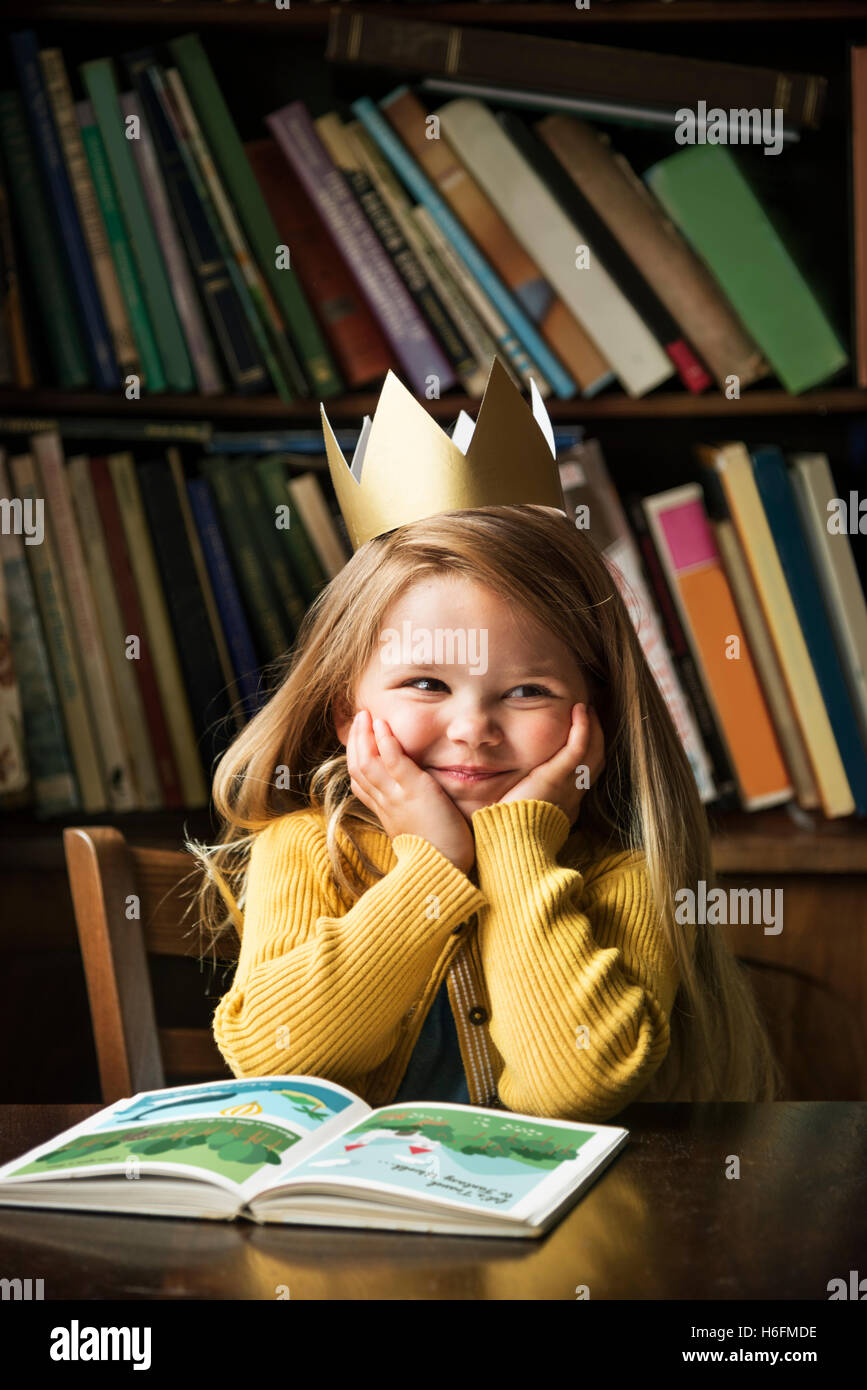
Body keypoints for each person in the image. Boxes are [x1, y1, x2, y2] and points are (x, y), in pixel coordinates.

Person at [187, 500, 781, 1122]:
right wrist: (433, 869)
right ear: (345, 711)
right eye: (427, 684)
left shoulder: (622, 877)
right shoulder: (308, 848)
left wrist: (516, 847)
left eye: (528, 691)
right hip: (348, 1215)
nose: (473, 729)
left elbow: (575, 1086)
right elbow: (280, 1062)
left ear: (595, 715)